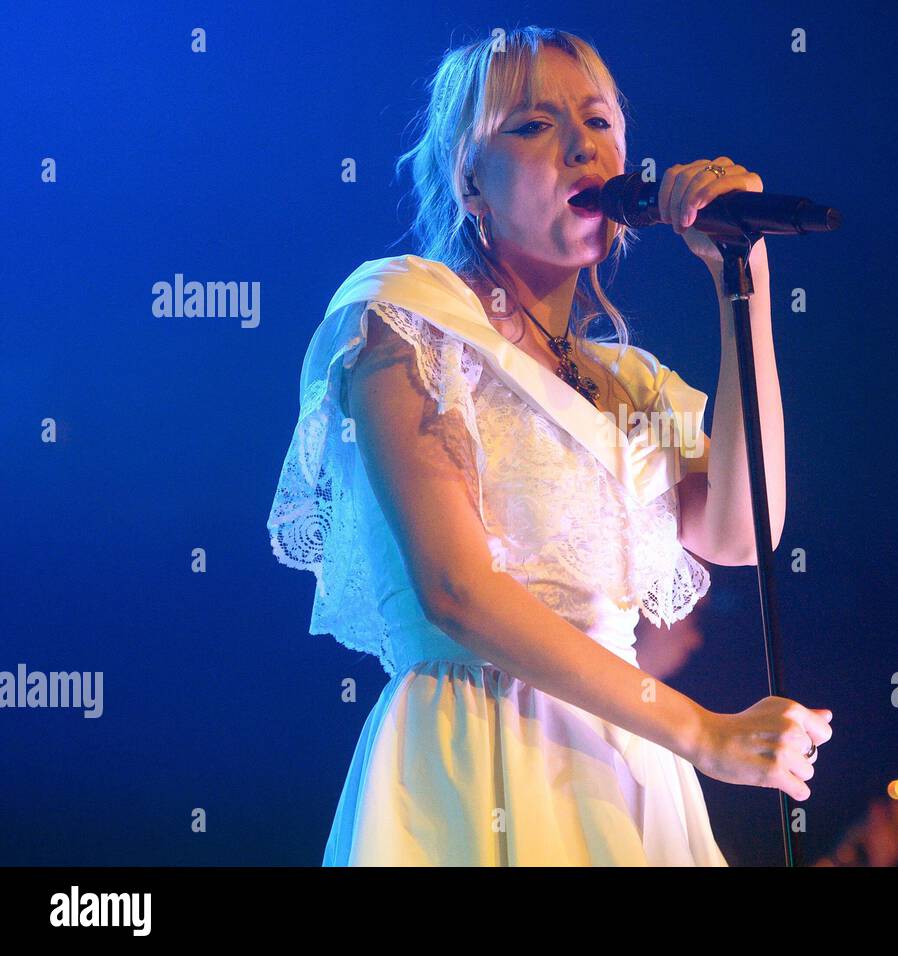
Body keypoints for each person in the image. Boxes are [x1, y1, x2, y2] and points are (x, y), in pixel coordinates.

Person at [267, 25, 832, 866]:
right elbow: (457, 590)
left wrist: (738, 282)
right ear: (470, 180)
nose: (581, 147)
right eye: (533, 125)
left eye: (600, 123)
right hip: (476, 749)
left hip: (630, 773)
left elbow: (744, 533)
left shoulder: (628, 381)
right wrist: (702, 733)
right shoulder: (406, 316)